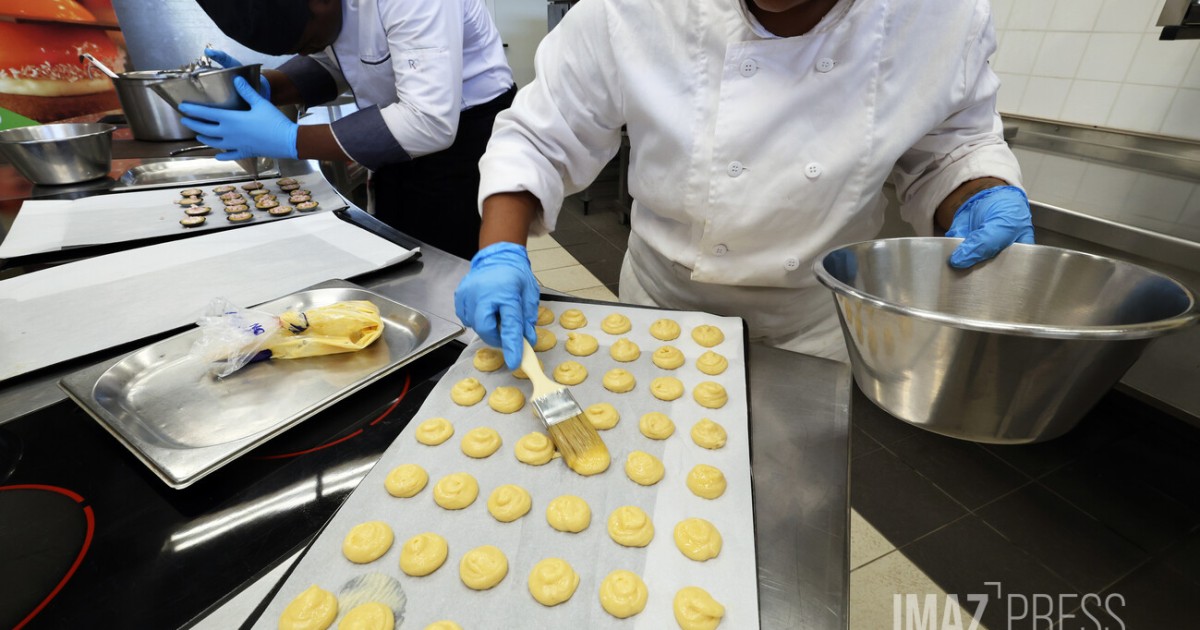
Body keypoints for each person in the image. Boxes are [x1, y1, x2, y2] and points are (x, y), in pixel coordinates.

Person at [454, 0, 1035, 370]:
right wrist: (500, 252)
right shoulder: (632, 10)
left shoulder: (938, 17)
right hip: (662, 307)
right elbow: (540, 135)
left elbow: (949, 145)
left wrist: (979, 189)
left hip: (811, 325)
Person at [181, 0, 516, 259]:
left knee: (457, 267)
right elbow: (343, 61)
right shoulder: (327, 14)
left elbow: (427, 122)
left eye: (307, 40)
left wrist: (289, 140)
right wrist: (265, 86)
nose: (302, 52)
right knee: (405, 255)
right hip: (401, 145)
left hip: (468, 147)